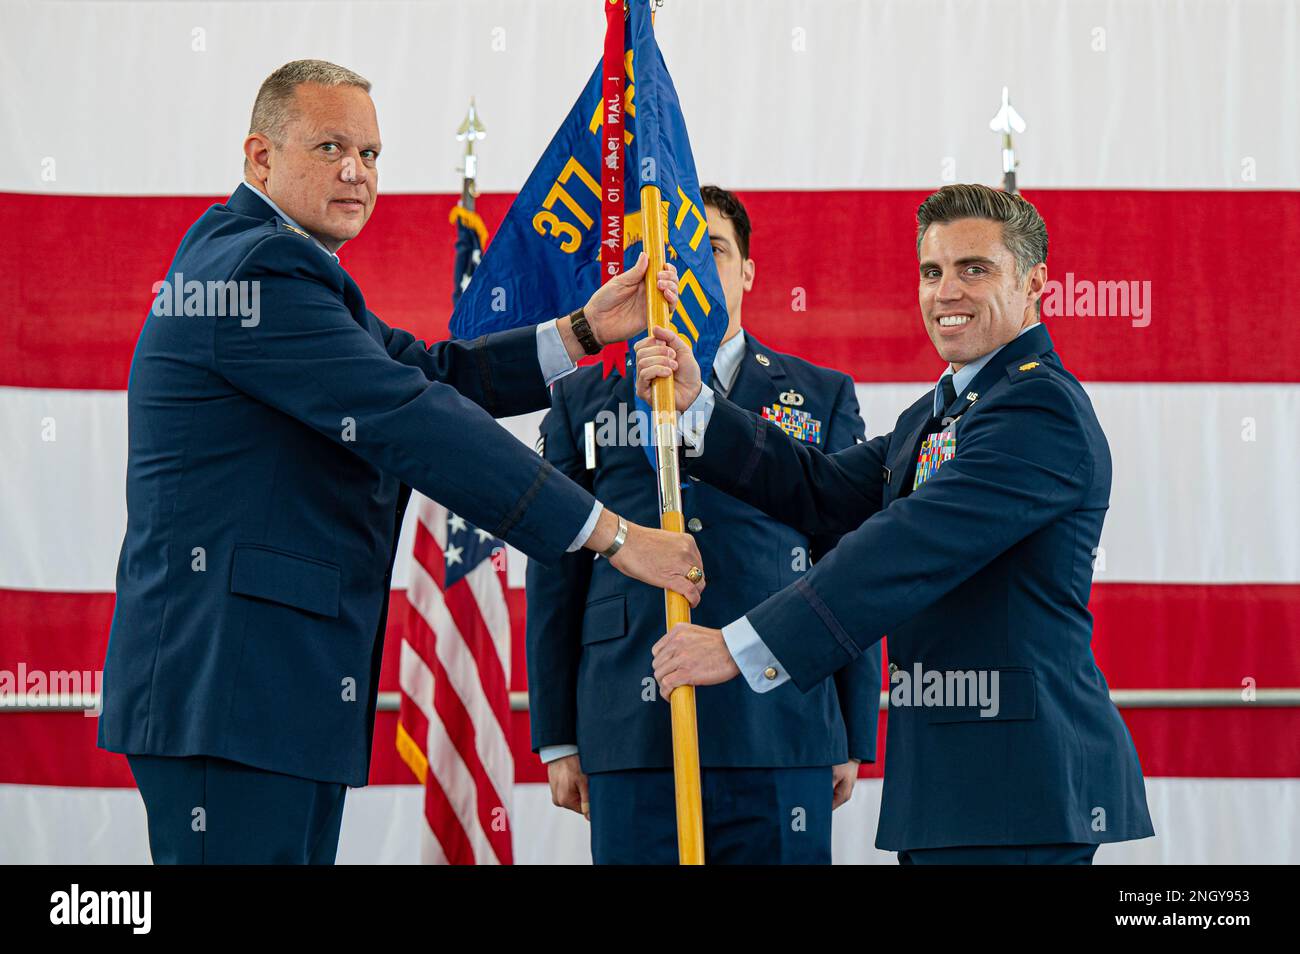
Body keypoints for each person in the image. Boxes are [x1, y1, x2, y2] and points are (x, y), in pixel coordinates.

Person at [99, 59, 704, 864]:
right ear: (259, 158)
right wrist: (616, 538)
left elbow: (431, 374)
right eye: (330, 148)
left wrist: (584, 331)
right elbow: (415, 420)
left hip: (264, 690)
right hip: (234, 687)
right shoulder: (257, 271)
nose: (357, 172)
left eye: (372, 154)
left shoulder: (284, 266)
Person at [637, 183, 1154, 864]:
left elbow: (902, 546)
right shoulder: (938, 413)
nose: (947, 292)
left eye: (975, 269)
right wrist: (699, 405)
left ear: (1035, 286)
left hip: (1019, 790)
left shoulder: (1037, 412)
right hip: (951, 792)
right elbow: (821, 490)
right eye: (932, 271)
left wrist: (738, 647)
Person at [527, 186, 880, 864]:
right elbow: (556, 566)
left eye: (713, 249)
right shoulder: (581, 398)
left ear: (748, 269)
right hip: (631, 729)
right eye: (674, 254)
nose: (692, 268)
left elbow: (851, 560)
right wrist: (559, 737)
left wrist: (851, 728)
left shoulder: (822, 395)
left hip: (782, 722)